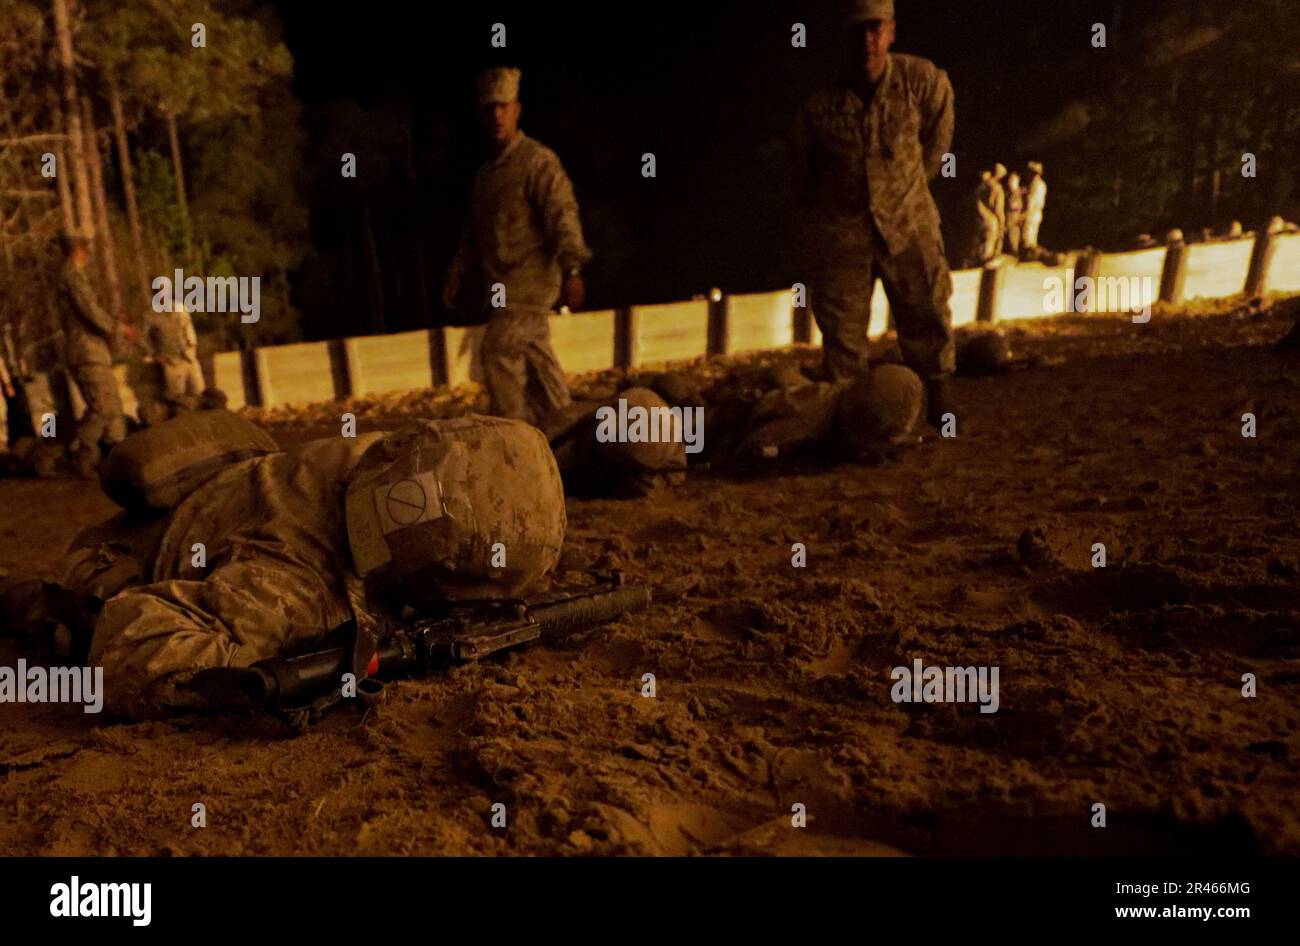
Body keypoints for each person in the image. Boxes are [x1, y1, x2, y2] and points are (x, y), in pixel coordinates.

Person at [1, 414, 567, 719]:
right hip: (119, 556)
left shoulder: (399, 457)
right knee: (57, 615)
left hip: (231, 498)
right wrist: (276, 676)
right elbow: (129, 646)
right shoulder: (292, 591)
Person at [789, 0, 957, 427]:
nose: (867, 39)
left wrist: (907, 190)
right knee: (843, 338)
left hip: (909, 225)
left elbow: (937, 144)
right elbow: (803, 175)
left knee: (927, 313)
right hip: (844, 235)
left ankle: (939, 405)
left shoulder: (922, 82)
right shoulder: (819, 107)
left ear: (892, 31)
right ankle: (852, 421)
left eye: (875, 28)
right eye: (857, 31)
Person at [442, 67, 592, 429]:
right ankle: (567, 431)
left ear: (517, 109)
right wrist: (456, 274)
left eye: (504, 106)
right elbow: (473, 233)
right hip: (501, 292)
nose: (497, 115)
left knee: (498, 350)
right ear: (481, 114)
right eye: (490, 108)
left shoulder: (538, 162)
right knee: (539, 365)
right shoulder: (486, 175)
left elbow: (562, 215)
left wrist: (573, 269)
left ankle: (515, 442)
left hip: (530, 286)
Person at [56, 231, 125, 472]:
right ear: (79, 250)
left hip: (91, 351)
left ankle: (111, 456)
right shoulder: (72, 276)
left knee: (110, 406)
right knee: (102, 408)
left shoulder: (71, 275)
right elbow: (90, 311)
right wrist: (115, 328)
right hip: (87, 351)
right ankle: (80, 453)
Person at [147, 300, 205, 413]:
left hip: (189, 357)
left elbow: (189, 328)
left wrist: (192, 348)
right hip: (171, 361)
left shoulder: (180, 308)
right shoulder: (151, 314)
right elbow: (145, 338)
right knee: (178, 399)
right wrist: (155, 355)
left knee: (199, 392)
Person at [1022, 161, 1047, 250]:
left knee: (1028, 237)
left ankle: (1028, 255)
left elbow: (1031, 202)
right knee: (1032, 236)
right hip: (1036, 213)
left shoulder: (1035, 185)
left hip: (1031, 213)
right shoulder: (1041, 184)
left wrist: (1024, 213)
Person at [1003, 170, 1024, 258]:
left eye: (1013, 180)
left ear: (1018, 181)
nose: (1010, 182)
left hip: (1016, 219)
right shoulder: (1006, 193)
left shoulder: (1022, 192)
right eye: (1009, 180)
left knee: (1014, 241)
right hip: (1007, 219)